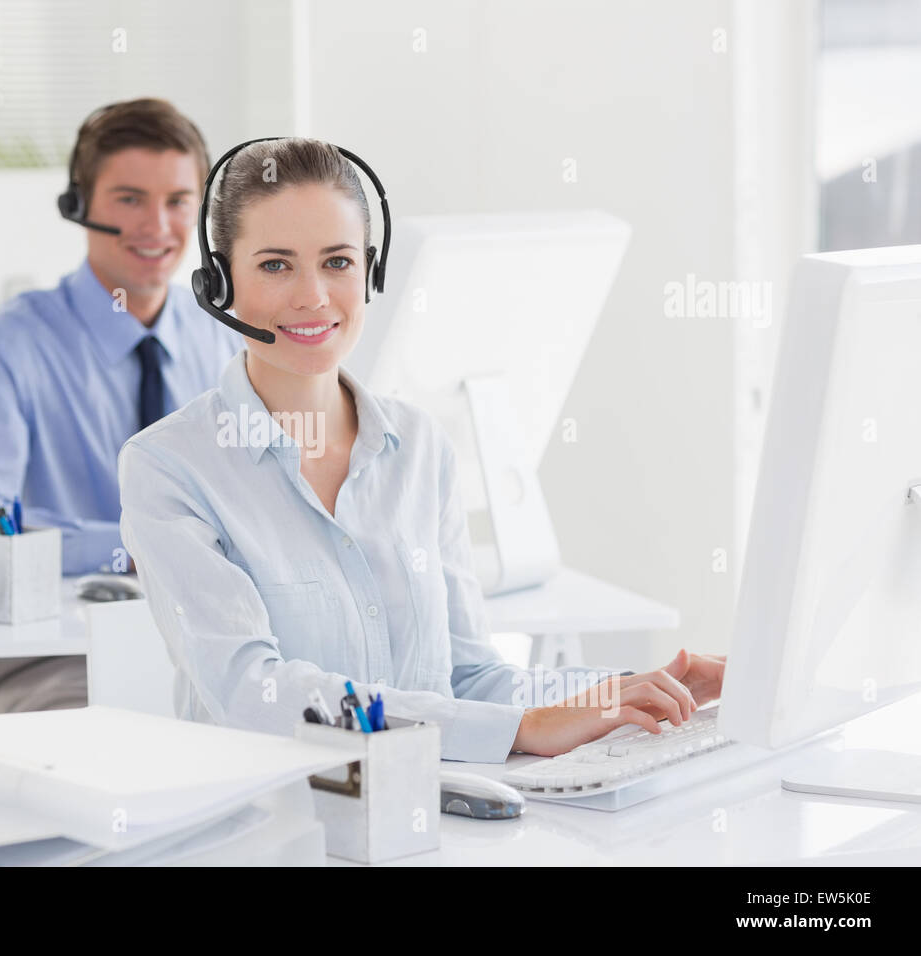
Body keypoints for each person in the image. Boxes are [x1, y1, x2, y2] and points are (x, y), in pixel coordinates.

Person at [118, 137, 726, 761]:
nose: (313, 297)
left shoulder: (419, 449)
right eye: (275, 265)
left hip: (429, 816)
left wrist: (622, 695)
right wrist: (519, 731)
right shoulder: (169, 467)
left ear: (370, 270)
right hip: (273, 828)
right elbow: (250, 693)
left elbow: (472, 681)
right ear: (218, 281)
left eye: (337, 262)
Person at [0, 99, 242, 713]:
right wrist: (136, 545)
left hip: (220, 658)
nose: (158, 225)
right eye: (129, 199)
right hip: (63, 667)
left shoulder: (227, 340)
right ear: (79, 206)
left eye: (177, 200)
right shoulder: (3, 349)